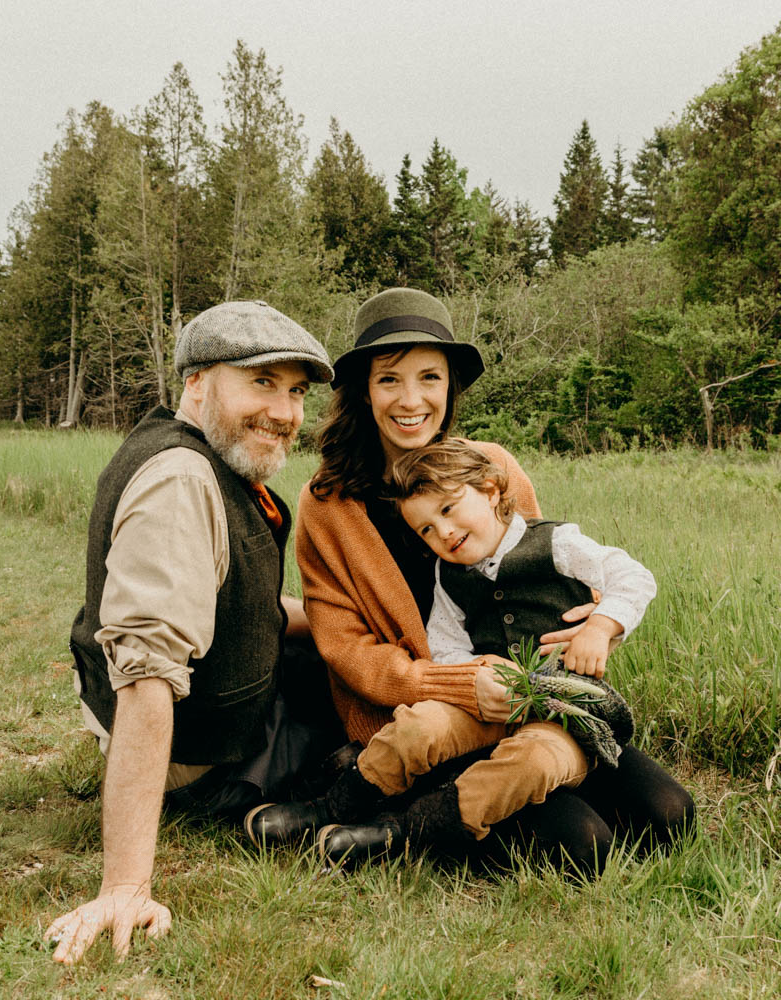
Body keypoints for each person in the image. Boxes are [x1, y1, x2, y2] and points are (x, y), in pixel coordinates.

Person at [274, 287, 694, 873]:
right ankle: (390, 821)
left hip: (532, 698)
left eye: (430, 377)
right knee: (583, 844)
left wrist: (600, 622)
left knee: (668, 815)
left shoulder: (489, 467)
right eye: (389, 379)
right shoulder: (329, 503)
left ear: (450, 386)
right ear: (364, 390)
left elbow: (546, 572)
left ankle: (481, 792)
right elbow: (343, 648)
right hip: (427, 715)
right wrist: (451, 683)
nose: (411, 399)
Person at [47, 300, 340, 965]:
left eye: (294, 392)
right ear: (197, 382)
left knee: (349, 654)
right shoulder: (183, 482)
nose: (285, 412)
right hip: (203, 754)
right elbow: (149, 678)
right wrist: (125, 885)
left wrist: (339, 624)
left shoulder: (198, 455)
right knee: (377, 726)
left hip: (200, 706)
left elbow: (241, 604)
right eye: (260, 382)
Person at [248, 438, 655, 861]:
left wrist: (601, 627)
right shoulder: (451, 576)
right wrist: (475, 673)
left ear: (493, 489)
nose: (443, 532)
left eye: (448, 510)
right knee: (419, 725)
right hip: (490, 704)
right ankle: (335, 805)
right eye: (426, 529)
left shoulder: (556, 543)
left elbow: (632, 577)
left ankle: (408, 829)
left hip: (564, 715)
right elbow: (444, 646)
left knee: (532, 763)